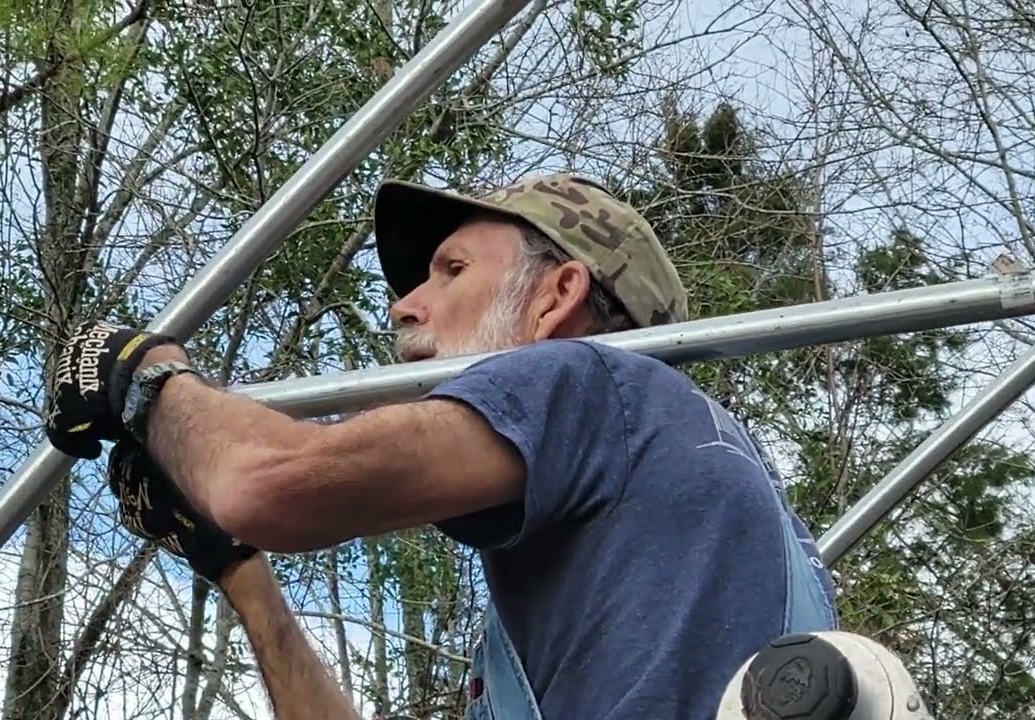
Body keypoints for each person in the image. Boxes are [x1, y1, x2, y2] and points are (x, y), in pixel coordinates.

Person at [45, 172, 840, 719]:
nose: (404, 308)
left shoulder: (595, 384)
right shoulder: (699, 546)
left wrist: (146, 379)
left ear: (556, 298)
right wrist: (239, 571)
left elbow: (267, 482)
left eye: (450, 269)